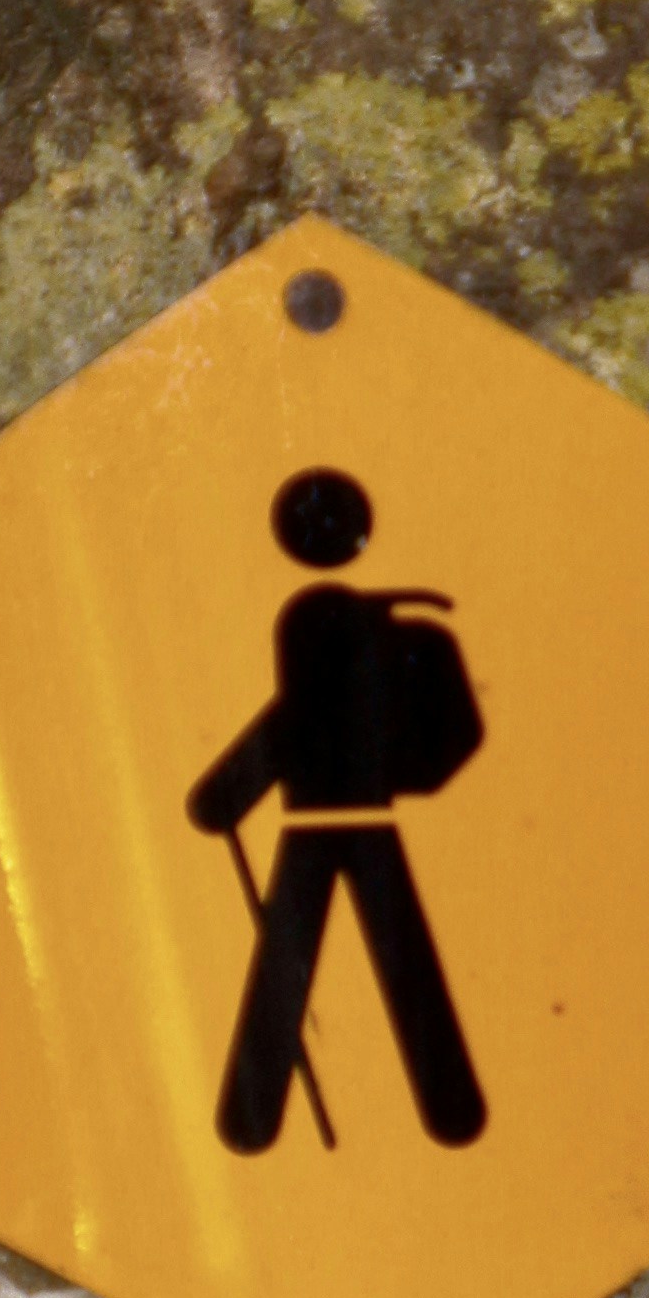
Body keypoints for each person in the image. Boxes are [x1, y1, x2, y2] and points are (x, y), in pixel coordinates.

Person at [187, 469, 487, 1154]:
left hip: (321, 829)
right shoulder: (340, 629)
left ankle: (255, 1120)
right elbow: (290, 724)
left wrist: (222, 798)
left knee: (314, 961)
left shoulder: (326, 632)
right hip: (351, 828)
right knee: (384, 958)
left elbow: (284, 727)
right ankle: (449, 1112)